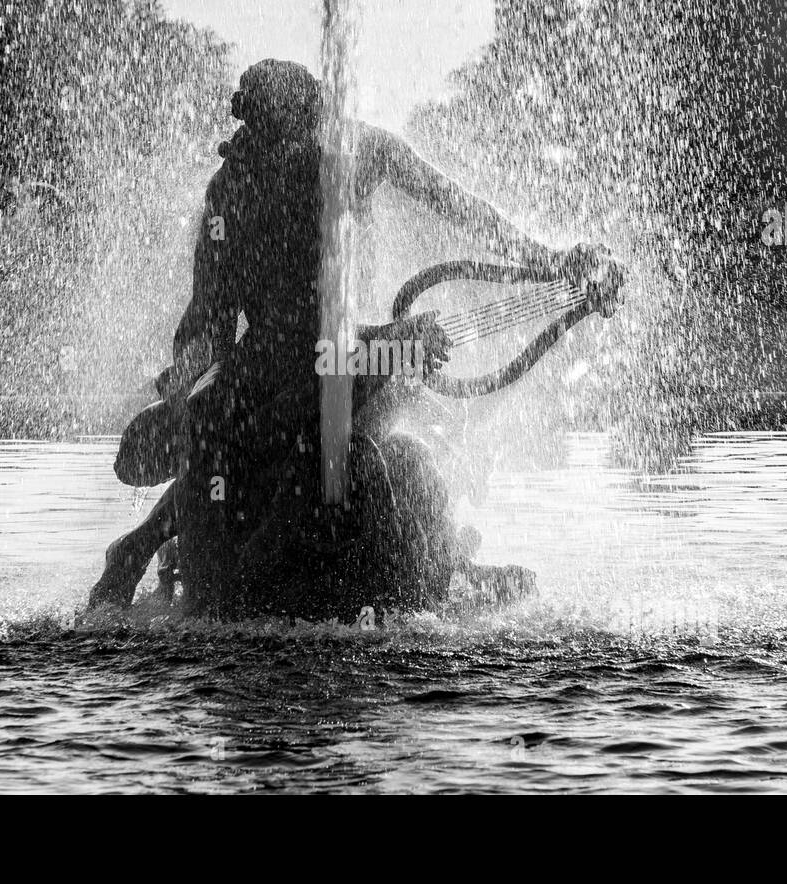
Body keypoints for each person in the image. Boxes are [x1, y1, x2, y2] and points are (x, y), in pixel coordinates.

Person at [88, 59, 611, 612]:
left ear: (312, 110)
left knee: (421, 427)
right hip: (270, 364)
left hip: (348, 351)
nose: (264, 143)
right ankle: (142, 545)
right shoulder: (232, 188)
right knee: (235, 428)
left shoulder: (364, 152)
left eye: (285, 125)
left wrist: (548, 260)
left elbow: (460, 207)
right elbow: (209, 315)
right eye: (259, 129)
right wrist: (185, 373)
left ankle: (447, 558)